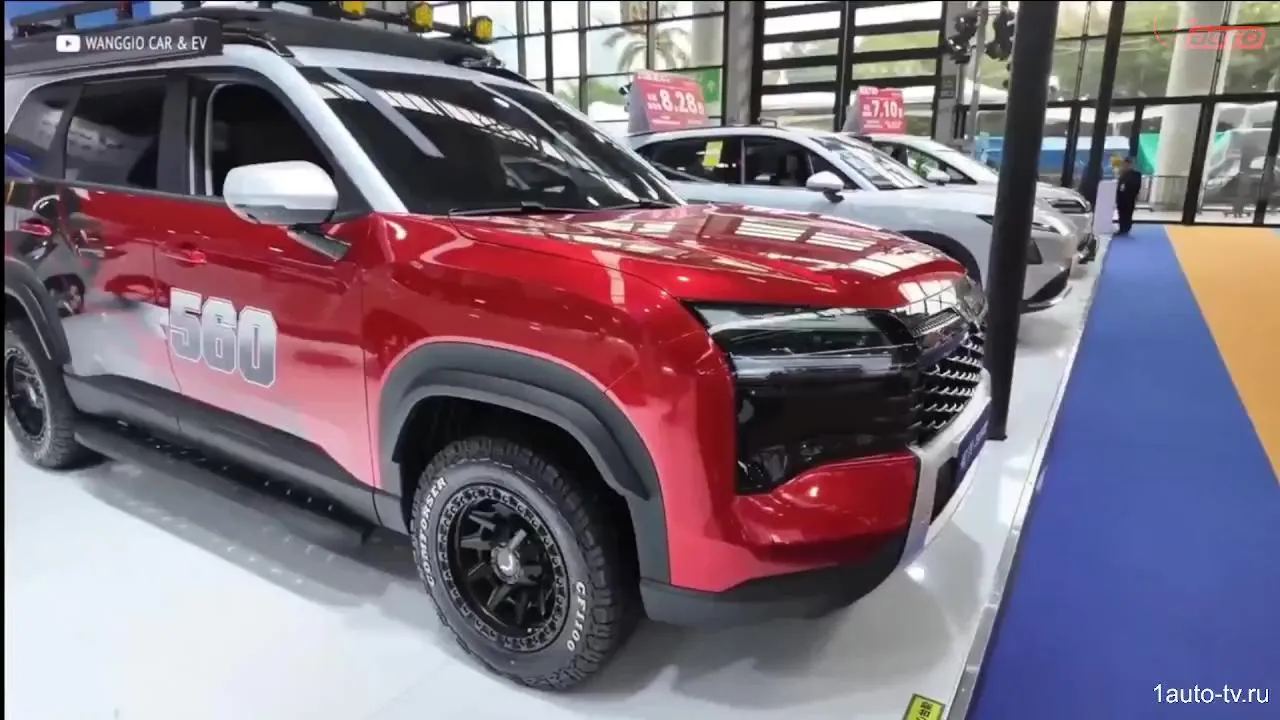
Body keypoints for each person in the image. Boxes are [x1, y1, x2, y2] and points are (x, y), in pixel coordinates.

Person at [1115, 156, 1142, 235]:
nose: (1125, 165)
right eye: (1124, 164)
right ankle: (1121, 228)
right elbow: (1119, 185)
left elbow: (1137, 186)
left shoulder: (1136, 174)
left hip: (1130, 197)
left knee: (1128, 213)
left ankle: (1126, 228)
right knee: (1121, 213)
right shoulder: (1122, 174)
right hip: (1121, 197)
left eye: (1127, 164)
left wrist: (1133, 194)